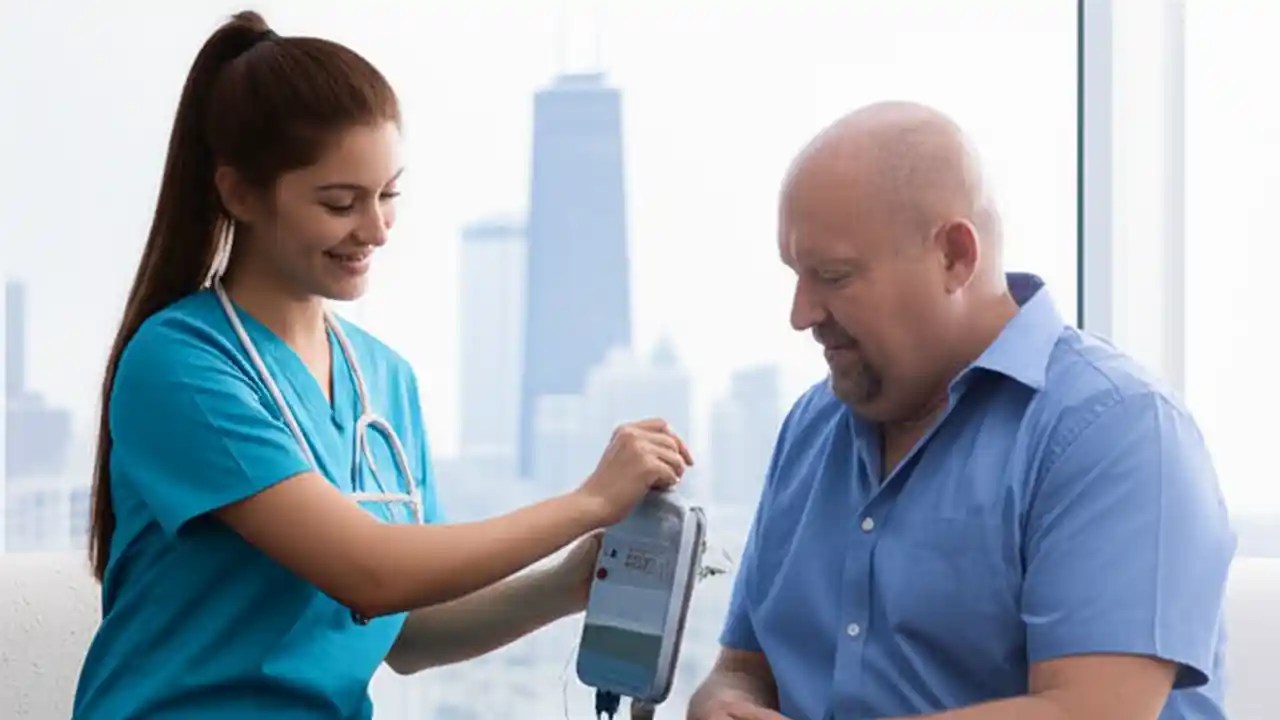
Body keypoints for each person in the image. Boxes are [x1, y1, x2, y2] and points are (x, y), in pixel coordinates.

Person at [72, 11, 694, 719]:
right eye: (340, 203)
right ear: (239, 193)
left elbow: (409, 631)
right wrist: (587, 501)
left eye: (388, 195)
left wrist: (570, 581)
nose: (375, 230)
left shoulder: (384, 380)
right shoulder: (182, 364)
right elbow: (369, 573)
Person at [687, 102, 1235, 720]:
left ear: (954, 256)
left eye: (833, 277)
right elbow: (742, 667)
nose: (801, 313)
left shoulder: (1118, 431)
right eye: (796, 275)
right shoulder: (812, 426)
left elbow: (1090, 711)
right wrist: (725, 704)